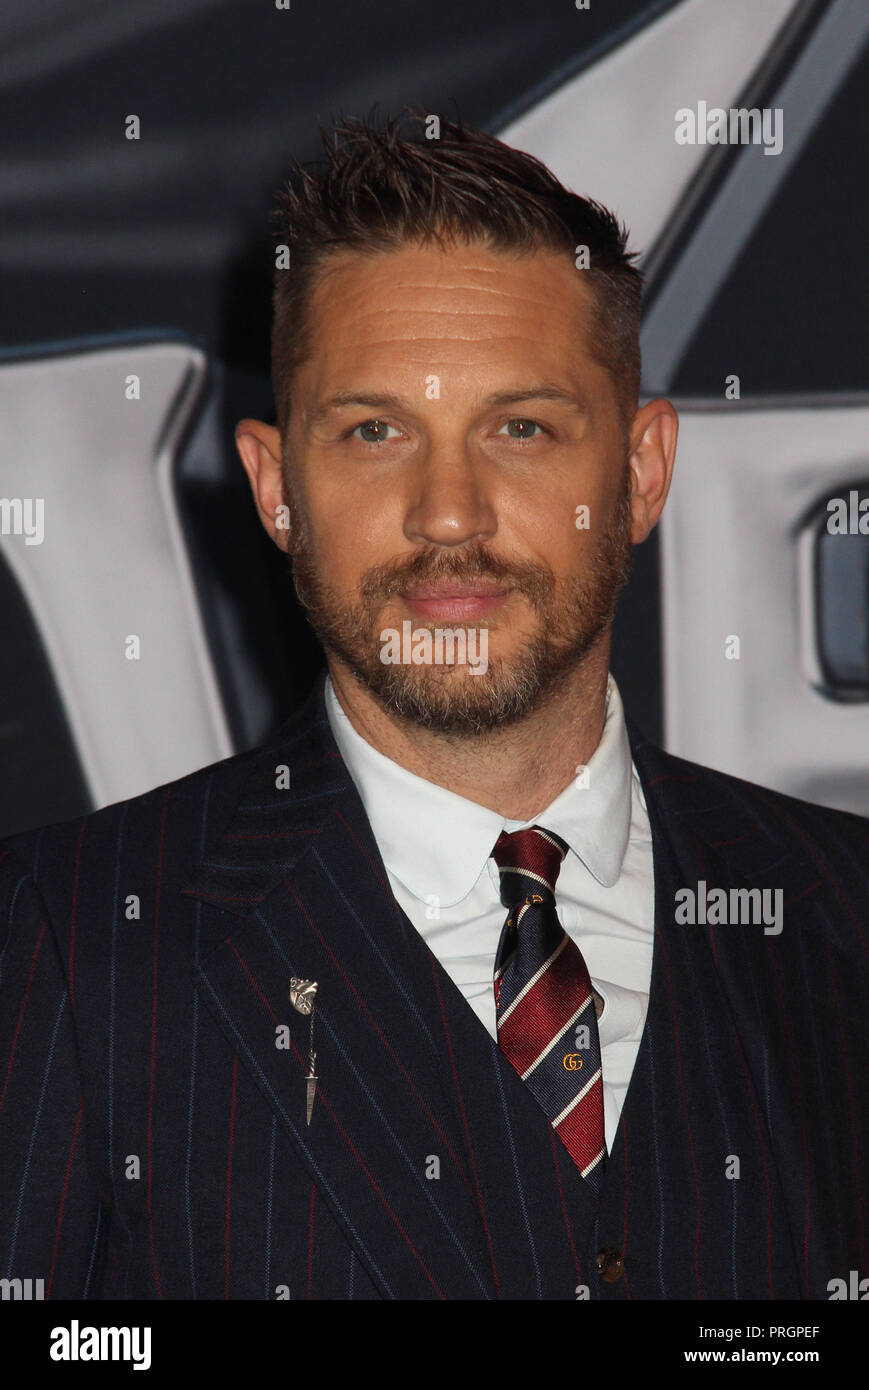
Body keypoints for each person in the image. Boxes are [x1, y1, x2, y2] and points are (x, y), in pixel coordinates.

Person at [1, 110, 866, 1302]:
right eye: (372, 431)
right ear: (274, 486)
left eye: (519, 428)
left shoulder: (841, 917)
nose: (447, 514)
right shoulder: (66, 937)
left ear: (639, 474)